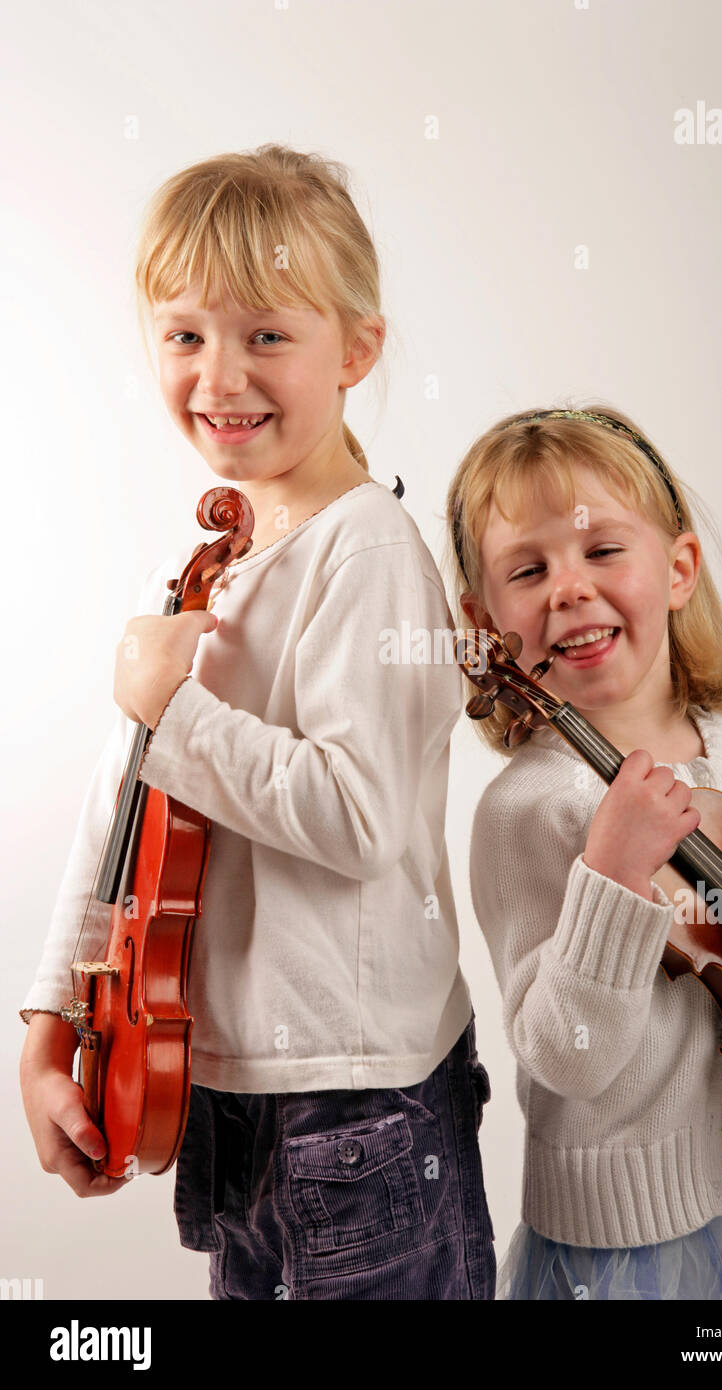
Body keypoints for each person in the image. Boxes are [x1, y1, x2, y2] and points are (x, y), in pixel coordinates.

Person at [19, 144, 496, 1301]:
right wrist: (49, 1012)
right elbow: (120, 812)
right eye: (184, 334)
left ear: (357, 348)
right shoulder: (205, 565)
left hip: (357, 1098)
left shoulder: (365, 552)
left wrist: (170, 707)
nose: (218, 372)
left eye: (265, 335)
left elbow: (355, 813)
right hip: (219, 1087)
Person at [445, 405, 722, 1299]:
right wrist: (611, 873)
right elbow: (568, 1056)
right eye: (530, 569)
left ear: (677, 571)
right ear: (488, 623)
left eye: (602, 552)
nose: (568, 588)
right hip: (642, 1232)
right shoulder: (531, 812)